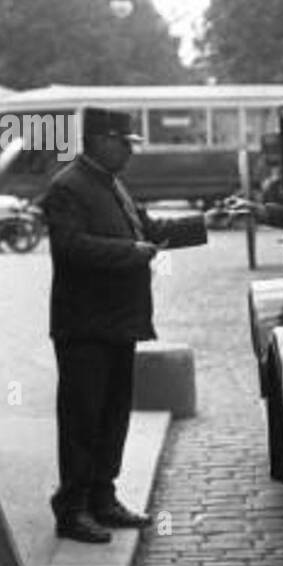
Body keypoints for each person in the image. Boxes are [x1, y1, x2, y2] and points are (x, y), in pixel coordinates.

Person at [40, 107, 165, 543]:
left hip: (118, 323)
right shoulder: (67, 187)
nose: (129, 151)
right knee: (82, 420)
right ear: (99, 140)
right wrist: (131, 253)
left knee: (112, 415)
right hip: (85, 327)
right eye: (123, 142)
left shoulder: (111, 183)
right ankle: (72, 508)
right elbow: (71, 247)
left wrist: (199, 226)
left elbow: (144, 227)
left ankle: (103, 497)